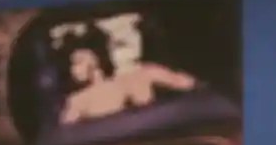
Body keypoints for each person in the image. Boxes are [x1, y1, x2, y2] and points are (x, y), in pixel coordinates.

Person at [56, 31, 198, 125]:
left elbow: (189, 85)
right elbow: (66, 133)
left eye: (77, 62)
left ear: (96, 59)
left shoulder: (140, 76)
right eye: (71, 64)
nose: (72, 69)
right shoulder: (77, 101)